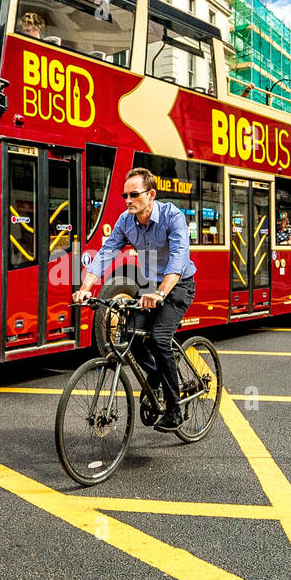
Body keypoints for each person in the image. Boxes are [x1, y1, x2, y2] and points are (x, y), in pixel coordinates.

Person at [73, 167, 197, 434]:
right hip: (150, 286)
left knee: (159, 338)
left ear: (151, 194)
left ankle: (174, 410)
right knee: (129, 333)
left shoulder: (172, 216)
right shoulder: (125, 221)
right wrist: (85, 287)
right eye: (124, 195)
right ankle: (155, 374)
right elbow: (106, 253)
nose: (128, 200)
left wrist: (161, 293)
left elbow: (177, 259)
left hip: (178, 286)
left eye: (134, 194)